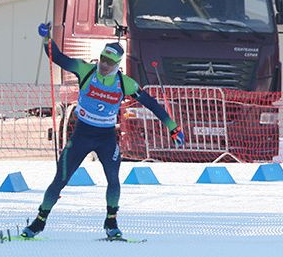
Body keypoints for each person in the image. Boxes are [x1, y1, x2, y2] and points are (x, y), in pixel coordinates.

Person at [21, 23, 185, 240]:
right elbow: (58, 58)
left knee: (113, 180)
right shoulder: (86, 70)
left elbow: (151, 104)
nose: (104, 65)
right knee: (60, 179)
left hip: (106, 138)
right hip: (81, 134)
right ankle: (38, 222)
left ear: (117, 64)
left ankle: (111, 222)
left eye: (110, 62)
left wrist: (173, 128)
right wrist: (46, 39)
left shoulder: (124, 83)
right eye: (103, 59)